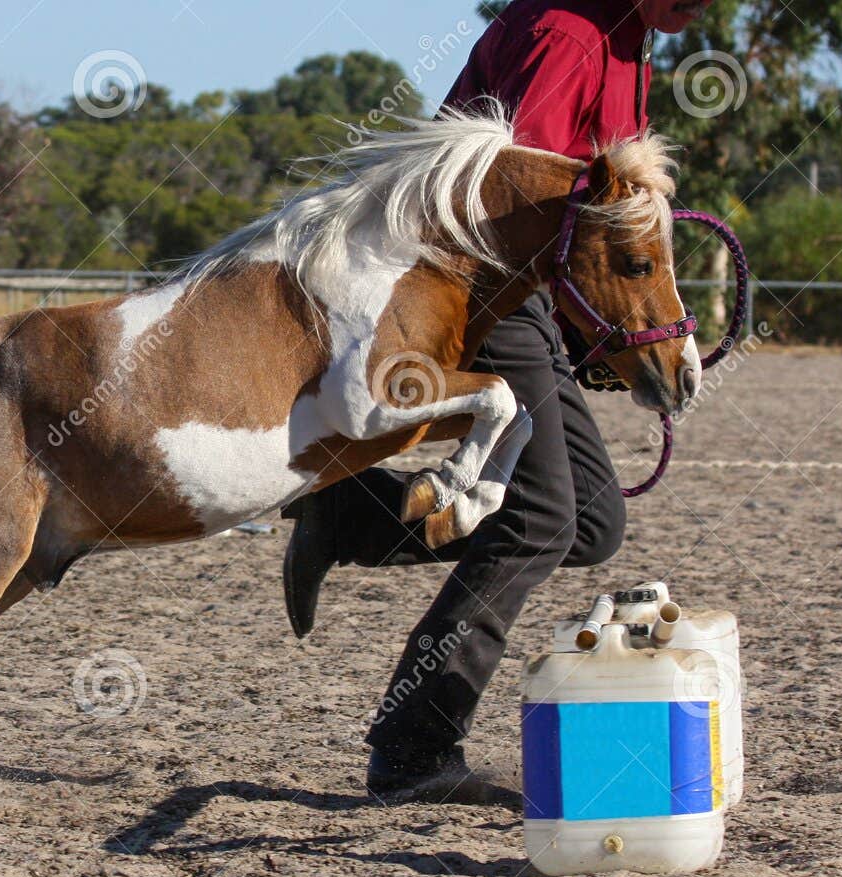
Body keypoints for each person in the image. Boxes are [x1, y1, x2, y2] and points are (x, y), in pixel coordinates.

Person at [281, 0, 714, 800]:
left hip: (532, 297)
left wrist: (600, 329)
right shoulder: (569, 35)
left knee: (591, 520)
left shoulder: (630, 39)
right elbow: (509, 191)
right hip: (482, 288)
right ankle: (413, 751)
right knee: (544, 517)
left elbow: (593, 213)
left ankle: (352, 515)